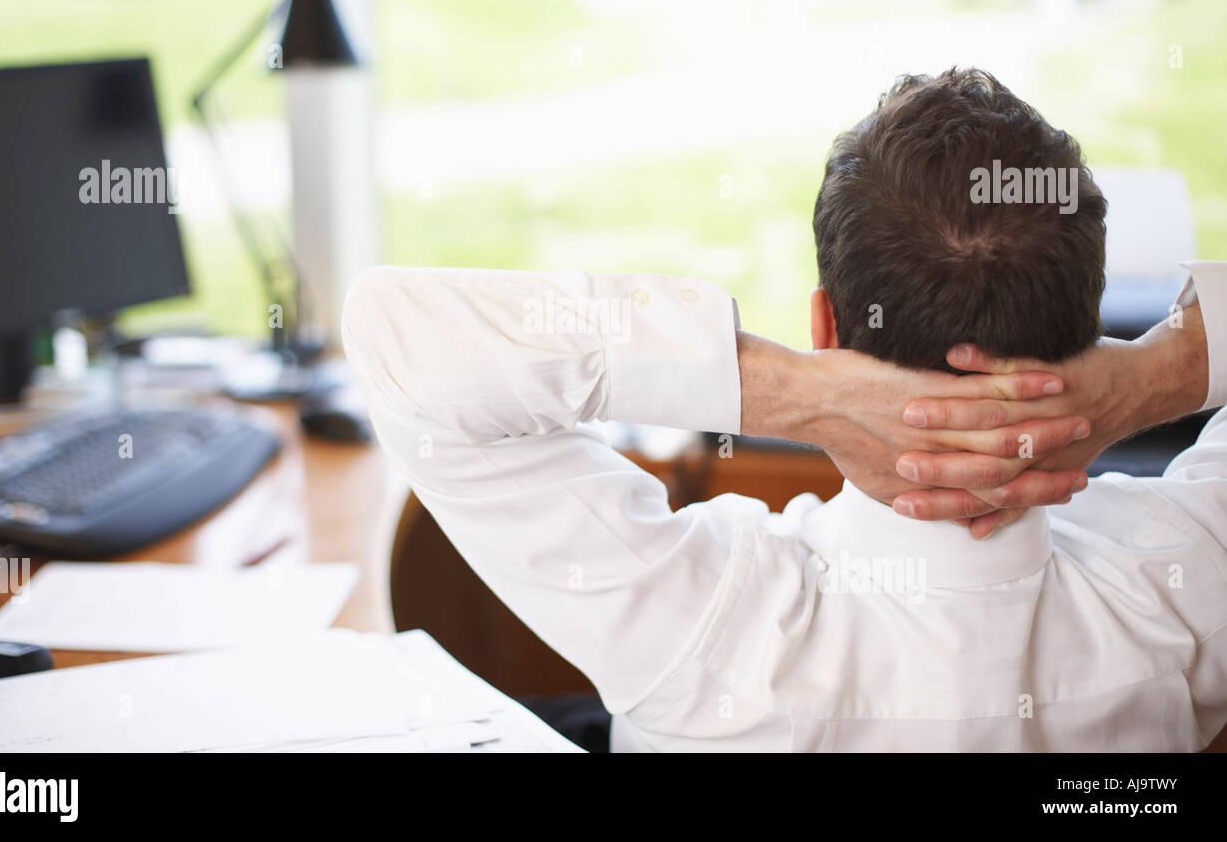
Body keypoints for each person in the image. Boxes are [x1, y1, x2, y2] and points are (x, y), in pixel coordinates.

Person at [342, 69, 1226, 751]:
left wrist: (795, 390)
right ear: (1086, 323)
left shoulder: (705, 625)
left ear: (824, 325)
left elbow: (395, 338)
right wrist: (1163, 372)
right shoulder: (1185, 590)